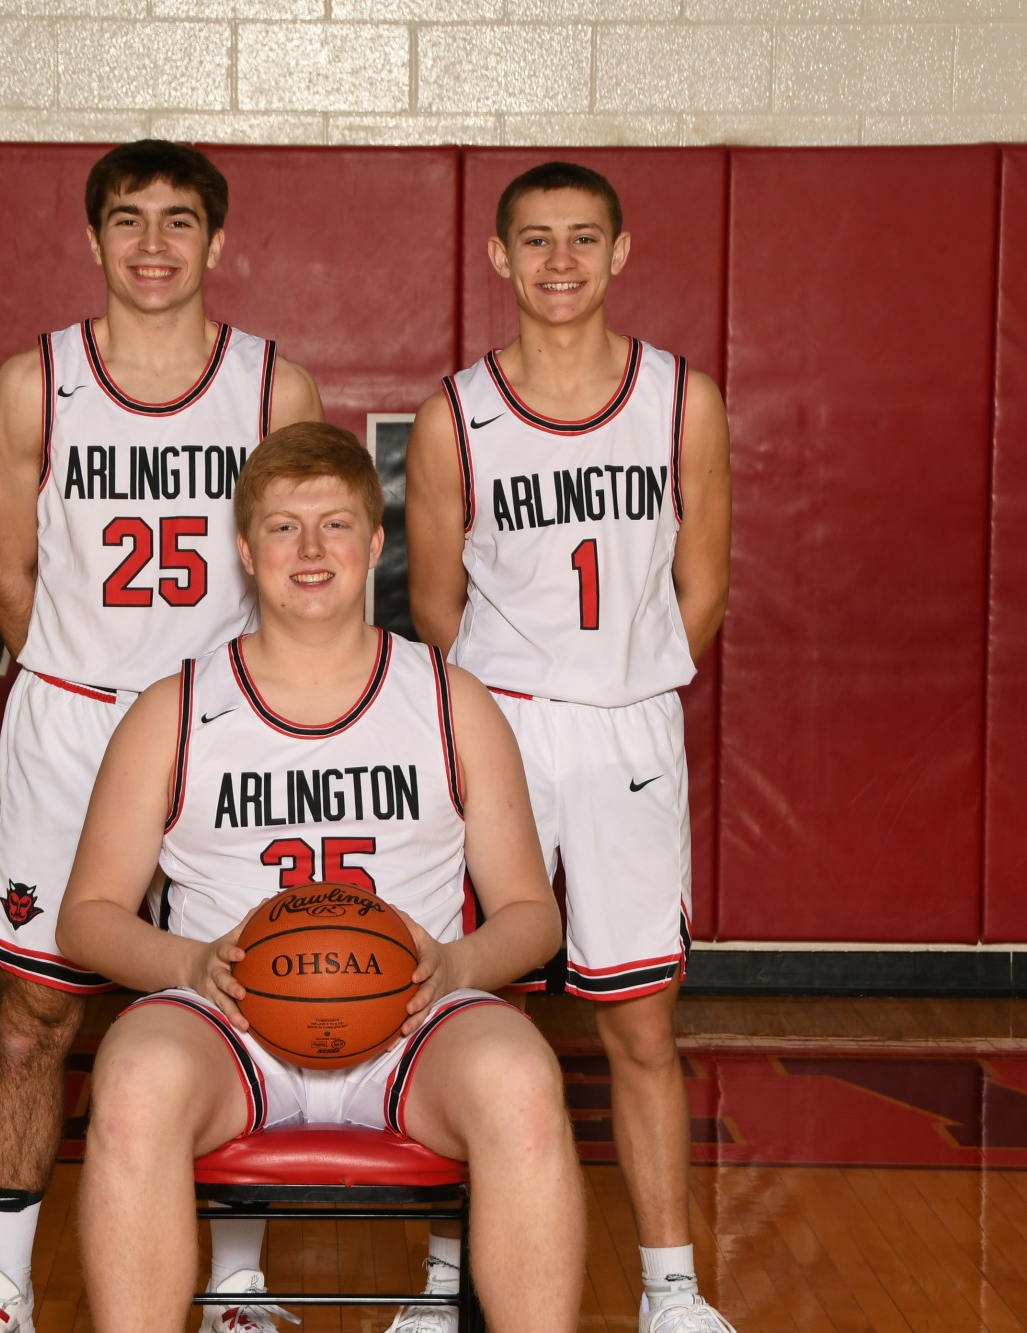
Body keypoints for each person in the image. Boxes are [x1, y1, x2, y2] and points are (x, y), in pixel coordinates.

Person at [57, 422, 584, 1333]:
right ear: (243, 547)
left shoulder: (450, 701)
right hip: (230, 1021)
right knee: (133, 1074)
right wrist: (192, 965)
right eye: (283, 527)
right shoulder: (174, 710)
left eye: (336, 524)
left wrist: (452, 968)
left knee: (522, 1075)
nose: (311, 550)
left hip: (413, 1018)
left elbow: (532, 915)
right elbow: (86, 918)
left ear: (376, 544)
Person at [0, 140, 323, 1333]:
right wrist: (93, 679)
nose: (151, 245)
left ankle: (237, 1286)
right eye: (126, 220)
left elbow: (297, 574)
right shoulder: (33, 384)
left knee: (241, 1005)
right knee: (33, 1014)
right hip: (71, 719)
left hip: (225, 730)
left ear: (216, 241)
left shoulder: (274, 390)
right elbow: (10, 576)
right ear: (91, 238)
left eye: (176, 221)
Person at [404, 162, 735, 1333]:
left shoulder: (678, 399)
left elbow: (702, 587)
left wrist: (618, 683)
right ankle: (445, 1280)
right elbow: (434, 605)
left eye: (581, 240)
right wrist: (504, 714)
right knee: (454, 1008)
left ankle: (671, 1292)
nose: (558, 263)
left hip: (628, 732)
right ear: (496, 258)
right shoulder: (453, 415)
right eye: (534, 241)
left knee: (640, 1024)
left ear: (620, 251)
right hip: (495, 737)